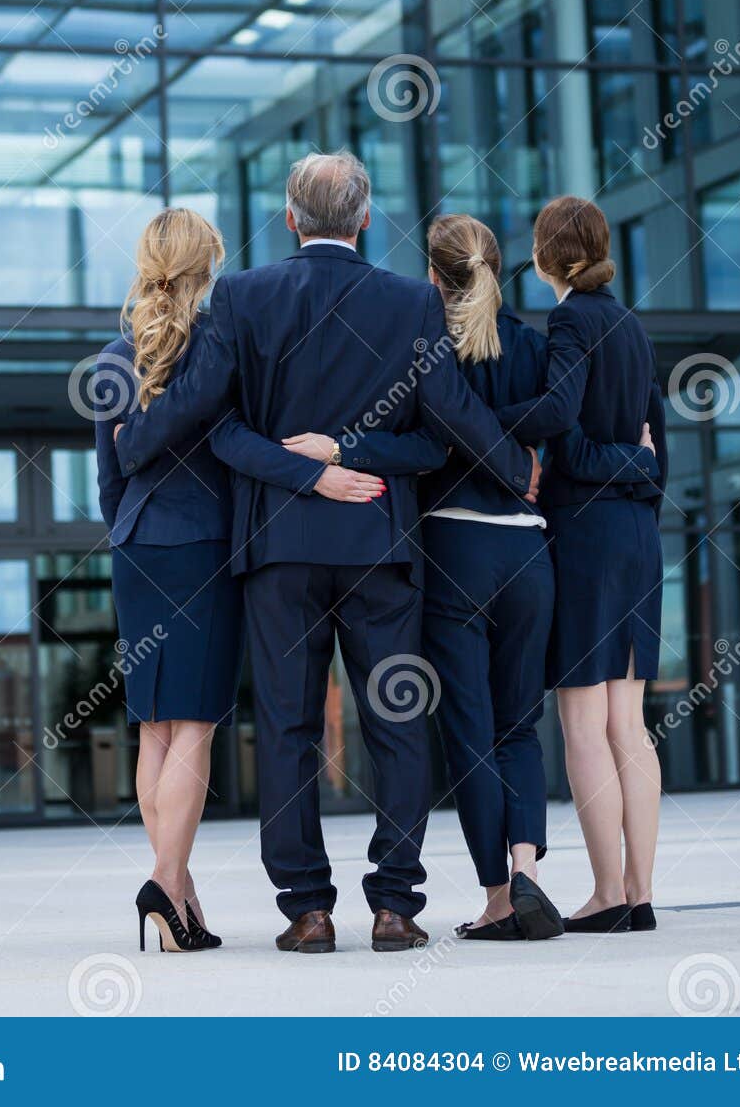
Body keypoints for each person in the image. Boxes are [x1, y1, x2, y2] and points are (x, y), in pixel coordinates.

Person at [114, 152, 540, 955]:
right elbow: (443, 423)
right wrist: (515, 470)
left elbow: (213, 421)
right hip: (379, 544)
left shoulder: (242, 296)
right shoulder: (412, 302)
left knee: (286, 729)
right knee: (396, 723)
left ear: (288, 218)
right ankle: (394, 906)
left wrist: (141, 444)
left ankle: (307, 911)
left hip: (278, 550)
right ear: (366, 218)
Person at [259, 214, 653, 942]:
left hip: (454, 556)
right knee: (518, 730)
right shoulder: (536, 344)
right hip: (529, 558)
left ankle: (500, 899)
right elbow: (557, 426)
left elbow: (419, 444)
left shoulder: (423, 348)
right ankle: (528, 865)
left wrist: (344, 448)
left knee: (469, 734)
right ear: (500, 270)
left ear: (433, 278)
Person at [497, 196, 667, 935]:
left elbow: (563, 433)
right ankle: (639, 891)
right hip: (638, 535)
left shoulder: (568, 320)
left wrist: (489, 427)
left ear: (542, 257)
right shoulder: (631, 323)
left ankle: (605, 893)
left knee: (581, 722)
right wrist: (636, 464)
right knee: (628, 725)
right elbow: (660, 458)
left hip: (588, 535)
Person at [94, 208, 245, 955]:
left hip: (136, 552)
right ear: (204, 268)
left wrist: (131, 534)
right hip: (202, 549)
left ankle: (179, 898)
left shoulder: (111, 361)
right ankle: (164, 880)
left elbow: (108, 485)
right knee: (195, 725)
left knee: (154, 726)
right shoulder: (218, 349)